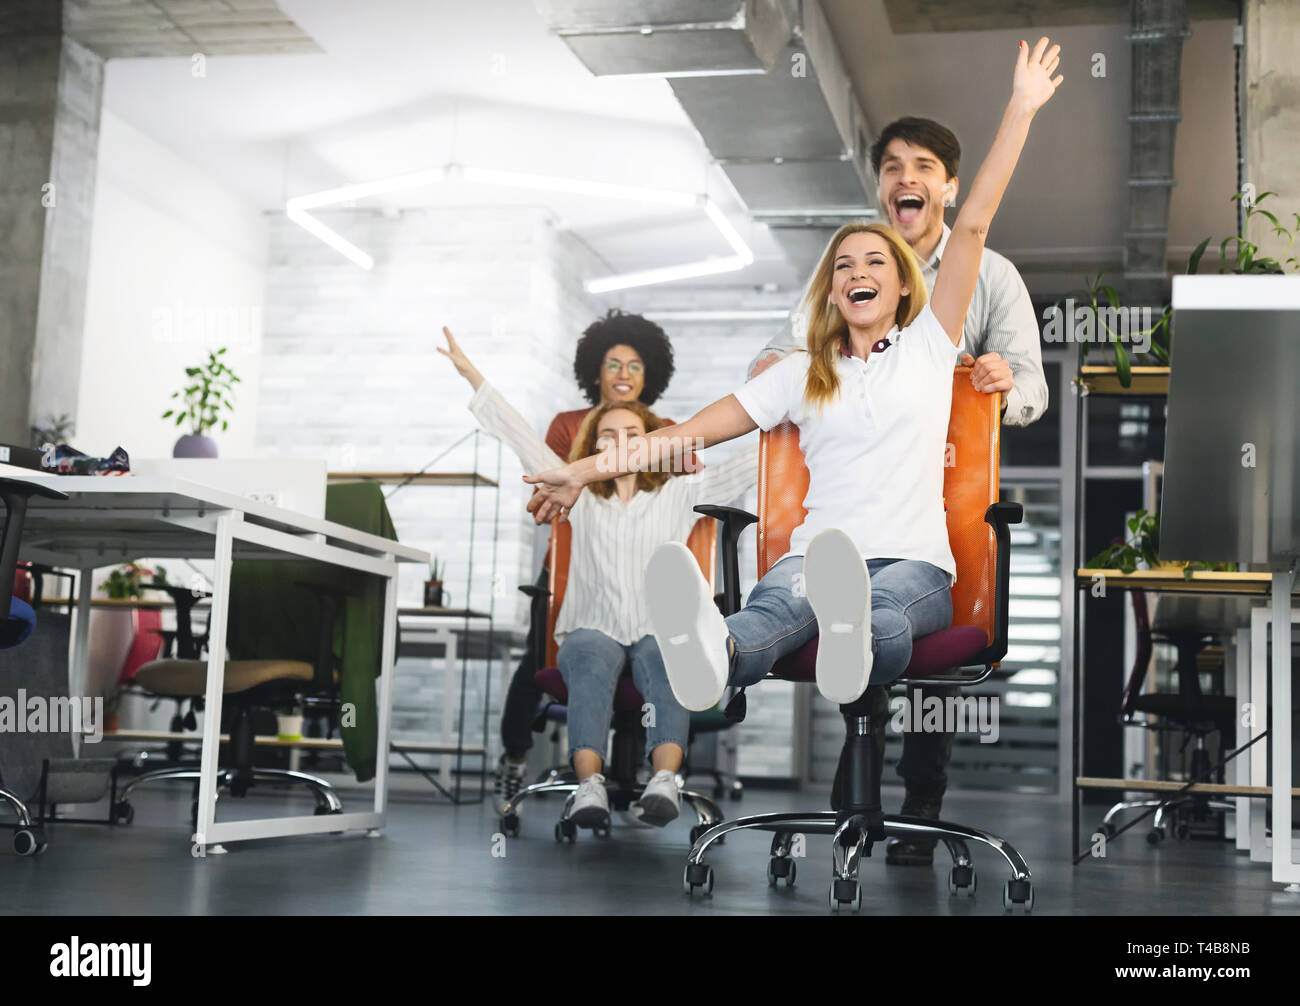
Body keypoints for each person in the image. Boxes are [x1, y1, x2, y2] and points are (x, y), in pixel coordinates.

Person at [523, 41, 1062, 776]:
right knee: (768, 616)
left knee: (881, 616)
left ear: (905, 289)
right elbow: (680, 437)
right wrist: (581, 472)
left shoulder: (933, 347)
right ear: (832, 293)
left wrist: (1023, 108)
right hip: (817, 555)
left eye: (876, 262)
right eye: (844, 266)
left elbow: (972, 225)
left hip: (912, 562)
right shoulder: (798, 374)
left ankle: (852, 641)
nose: (858, 272)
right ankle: (712, 658)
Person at [748, 112, 1050, 864]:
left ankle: (922, 790)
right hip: (853, 496)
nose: (904, 179)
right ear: (881, 186)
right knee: (849, 610)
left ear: (948, 185)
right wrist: (769, 367)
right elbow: (788, 352)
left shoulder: (990, 276)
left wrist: (1003, 383)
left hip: (943, 490)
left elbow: (1034, 390)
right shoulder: (854, 271)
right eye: (891, 167)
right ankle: (858, 790)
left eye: (923, 166)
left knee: (914, 637)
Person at [438, 329, 756, 833]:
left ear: (651, 444)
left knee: (667, 658)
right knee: (586, 662)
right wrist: (472, 375)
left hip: (658, 625)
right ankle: (590, 787)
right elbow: (520, 435)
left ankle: (664, 781)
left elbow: (749, 462)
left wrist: (800, 408)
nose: (619, 444)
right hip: (592, 623)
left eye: (632, 436)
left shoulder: (681, 490)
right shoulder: (576, 492)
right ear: (592, 446)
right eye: (607, 437)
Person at [490, 310, 696, 815]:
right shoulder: (568, 425)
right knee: (554, 650)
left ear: (649, 377)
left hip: (647, 570)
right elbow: (549, 473)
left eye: (634, 366)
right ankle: (517, 756)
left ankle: (656, 774)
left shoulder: (662, 431)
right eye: (613, 365)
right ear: (596, 372)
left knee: (655, 655)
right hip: (577, 556)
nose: (623, 375)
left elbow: (692, 482)